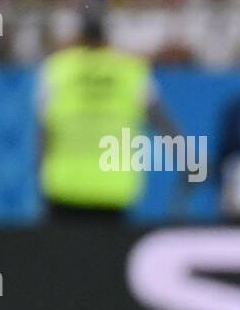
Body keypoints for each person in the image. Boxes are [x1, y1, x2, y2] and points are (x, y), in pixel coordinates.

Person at [37, 12, 176, 224]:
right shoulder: (131, 71)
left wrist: (39, 174)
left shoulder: (57, 69)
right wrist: (189, 162)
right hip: (113, 187)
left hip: (65, 186)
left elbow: (43, 130)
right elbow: (162, 123)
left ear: (80, 38)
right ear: (107, 39)